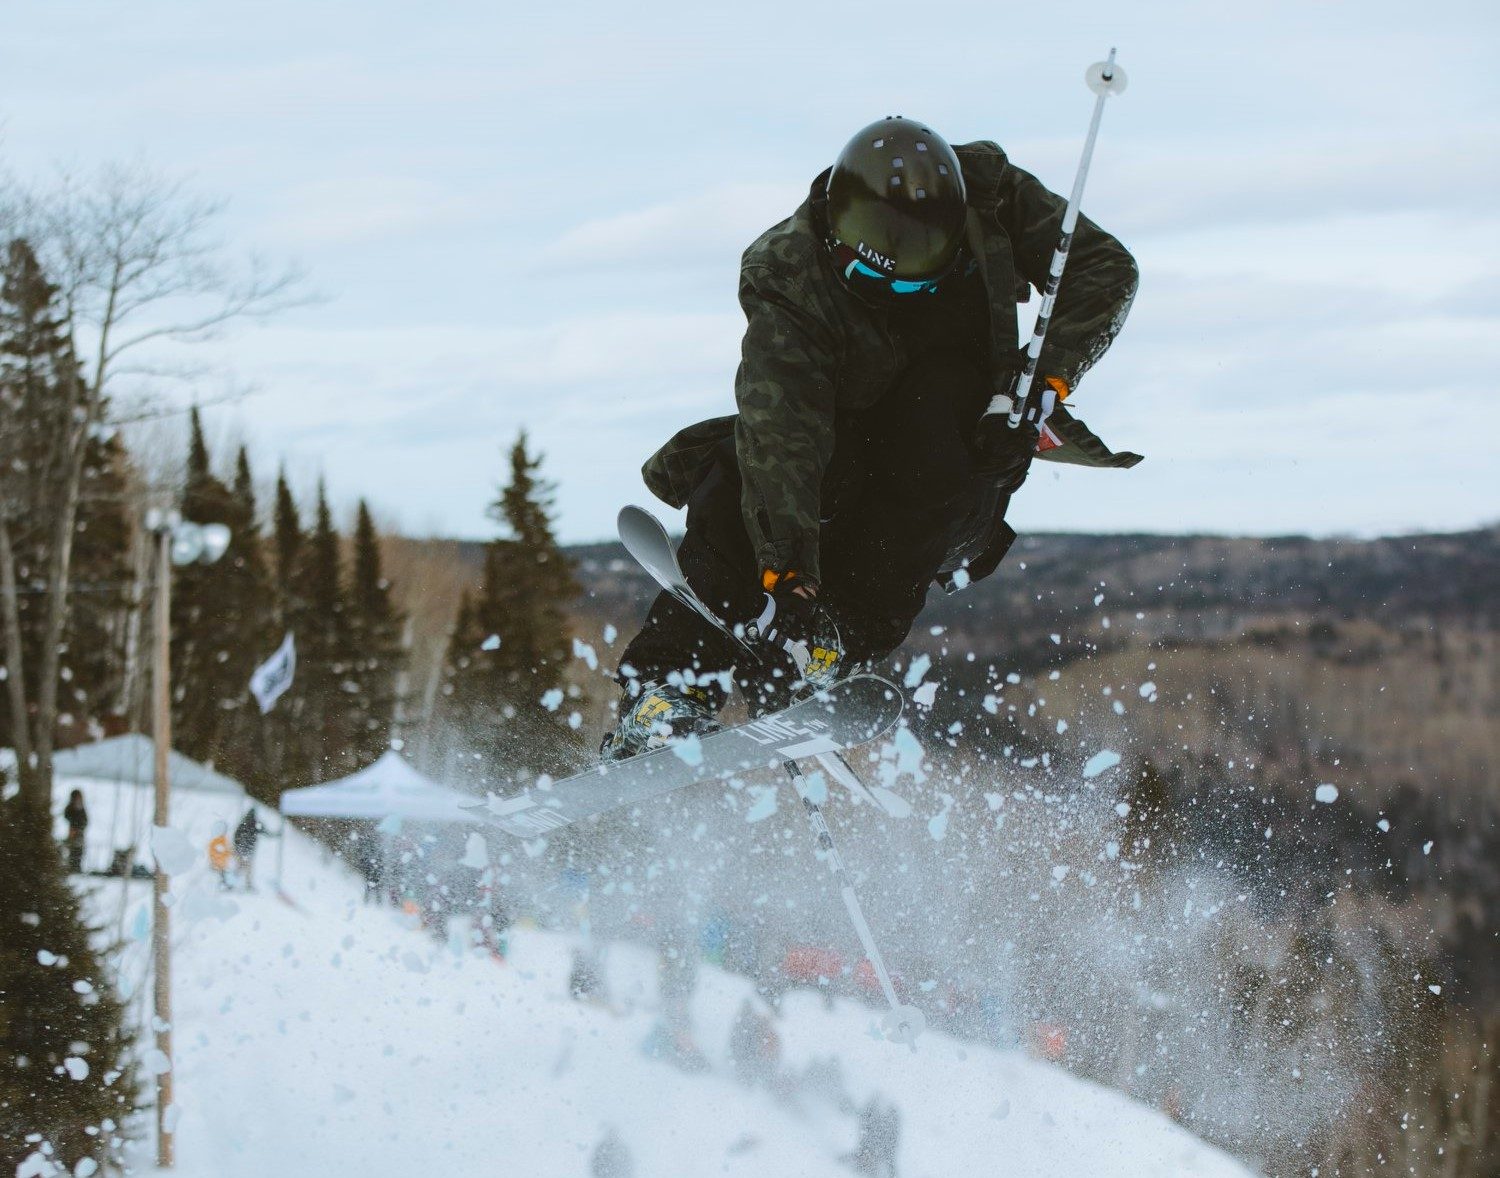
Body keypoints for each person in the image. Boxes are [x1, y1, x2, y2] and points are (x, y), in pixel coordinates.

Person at [604, 116, 1140, 756]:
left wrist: (1038, 388)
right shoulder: (789, 273)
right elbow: (784, 428)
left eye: (921, 280)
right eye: (880, 280)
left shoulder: (991, 195)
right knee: (740, 467)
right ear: (837, 242)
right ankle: (669, 692)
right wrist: (787, 573)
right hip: (837, 451)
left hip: (951, 475)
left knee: (939, 412)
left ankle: (834, 641)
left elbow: (1106, 269)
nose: (901, 295)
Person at [232, 808, 265, 891]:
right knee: (245, 869)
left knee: (241, 868)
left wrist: (237, 847)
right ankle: (241, 884)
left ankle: (233, 883)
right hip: (245, 851)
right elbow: (263, 831)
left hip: (243, 851)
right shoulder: (253, 825)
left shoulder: (244, 824)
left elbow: (236, 836)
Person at [62, 789, 89, 873]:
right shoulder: (71, 808)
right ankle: (72, 867)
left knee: (78, 851)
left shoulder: (81, 808)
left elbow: (85, 821)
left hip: (79, 833)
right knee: (73, 850)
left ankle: (76, 868)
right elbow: (67, 816)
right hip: (73, 832)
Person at [207, 822, 234, 890]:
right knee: (220, 875)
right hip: (218, 862)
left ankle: (222, 885)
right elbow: (216, 851)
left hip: (221, 862)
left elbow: (227, 850)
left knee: (222, 874)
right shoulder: (217, 840)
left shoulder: (222, 839)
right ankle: (220, 886)